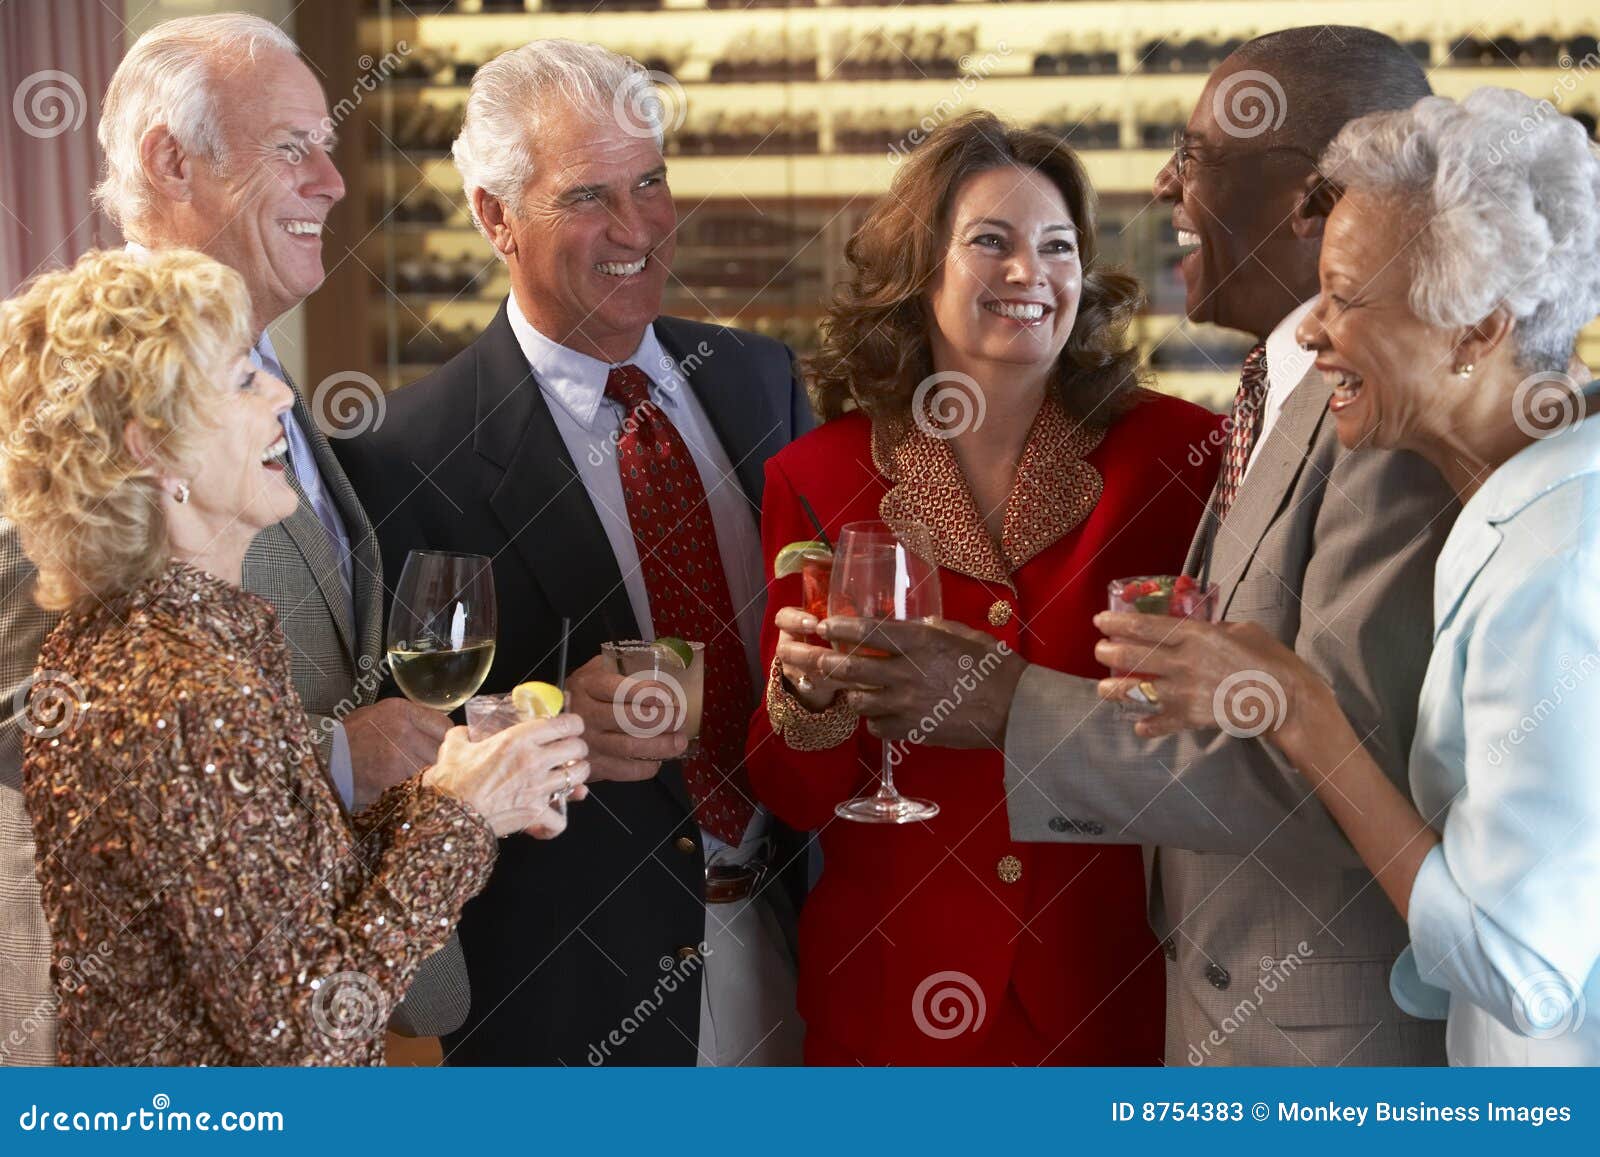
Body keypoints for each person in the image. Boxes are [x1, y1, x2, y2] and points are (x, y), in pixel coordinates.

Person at [806, 28, 1459, 1065]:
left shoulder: (1370, 423)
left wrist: (1006, 699)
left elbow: (1341, 774)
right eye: (990, 241)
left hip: (1311, 1048)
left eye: (1196, 156)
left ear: (1314, 194)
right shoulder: (1268, 404)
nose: (1162, 184)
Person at [1093, 88, 1600, 1066]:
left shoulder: (1557, 564)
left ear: (1477, 329)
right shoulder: (1519, 512)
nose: (1313, 331)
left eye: (1345, 297)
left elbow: (1521, 966)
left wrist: (1300, 711)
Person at [0, 14, 470, 1065]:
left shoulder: (265, 382)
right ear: (173, 160)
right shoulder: (59, 396)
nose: (333, 182)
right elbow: (31, 723)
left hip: (379, 996)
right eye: (292, 147)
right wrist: (343, 758)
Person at [338, 39, 811, 1066]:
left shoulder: (759, 379)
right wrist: (547, 710)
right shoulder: (401, 457)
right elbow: (385, 740)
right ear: (492, 215)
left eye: (650, 182)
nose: (638, 227)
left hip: (802, 945)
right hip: (572, 1001)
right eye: (589, 195)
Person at [0, 247, 591, 1065]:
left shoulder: (168, 642)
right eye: (243, 379)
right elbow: (306, 1031)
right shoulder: (181, 688)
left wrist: (463, 785)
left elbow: (277, 889)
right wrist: (459, 817)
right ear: (153, 450)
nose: (282, 393)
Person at [751, 111, 1224, 1065]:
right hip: (887, 998)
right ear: (919, 273)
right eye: (991, 243)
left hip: (1112, 989)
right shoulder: (819, 473)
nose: (1030, 274)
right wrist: (804, 695)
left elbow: (1211, 739)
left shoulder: (1180, 455)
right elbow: (796, 796)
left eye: (1057, 247)